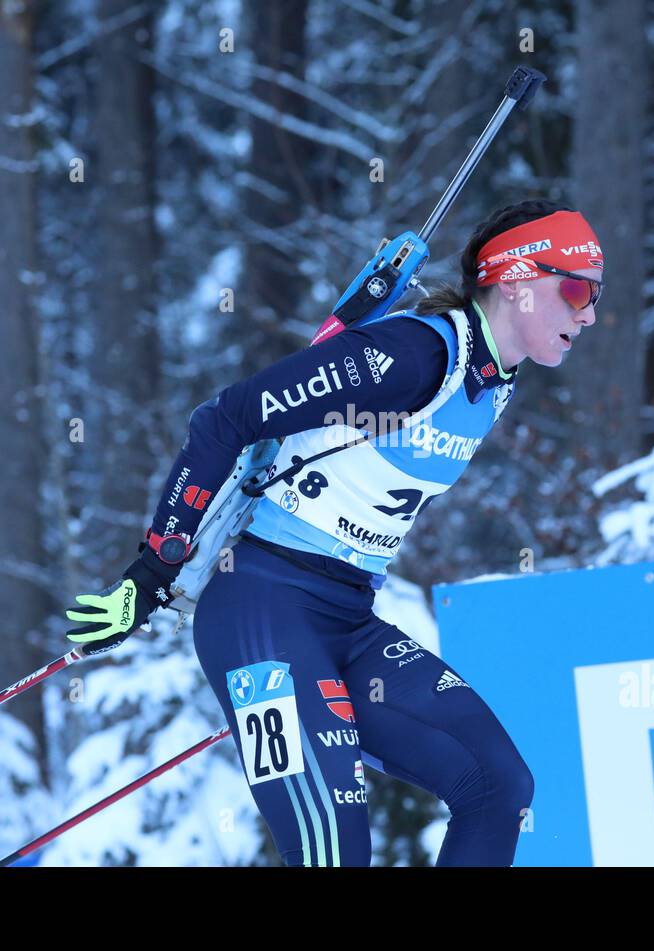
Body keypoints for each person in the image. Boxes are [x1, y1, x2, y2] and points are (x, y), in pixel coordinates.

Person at [64, 198, 604, 866]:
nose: (589, 314)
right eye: (576, 291)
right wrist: (149, 573)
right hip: (260, 614)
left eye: (594, 297)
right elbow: (225, 419)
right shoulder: (411, 356)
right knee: (333, 850)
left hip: (346, 619)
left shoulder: (494, 377)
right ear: (517, 278)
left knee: (499, 785)